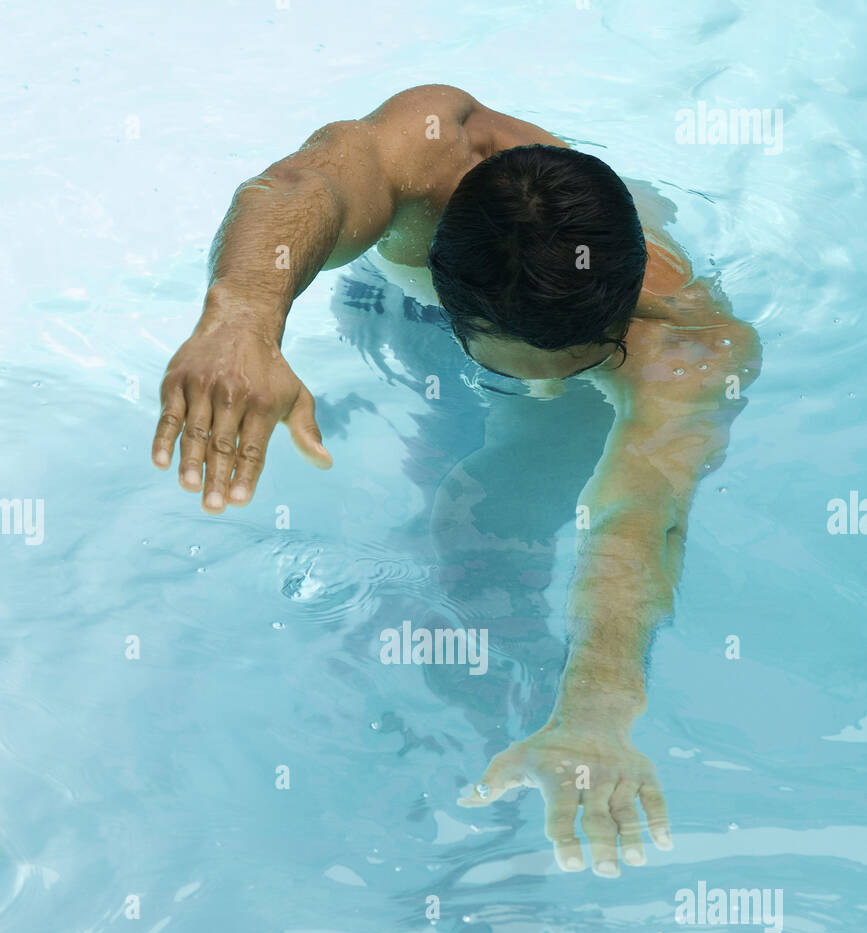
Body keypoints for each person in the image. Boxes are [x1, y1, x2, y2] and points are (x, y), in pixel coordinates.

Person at [151, 85, 761, 876]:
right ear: (453, 298)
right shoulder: (429, 147)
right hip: (399, 307)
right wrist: (239, 323)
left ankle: (506, 749)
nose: (545, 387)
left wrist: (599, 714)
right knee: (459, 511)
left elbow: (640, 519)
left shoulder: (690, 344)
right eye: (522, 367)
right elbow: (300, 188)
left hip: (580, 320)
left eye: (577, 364)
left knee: (492, 512)